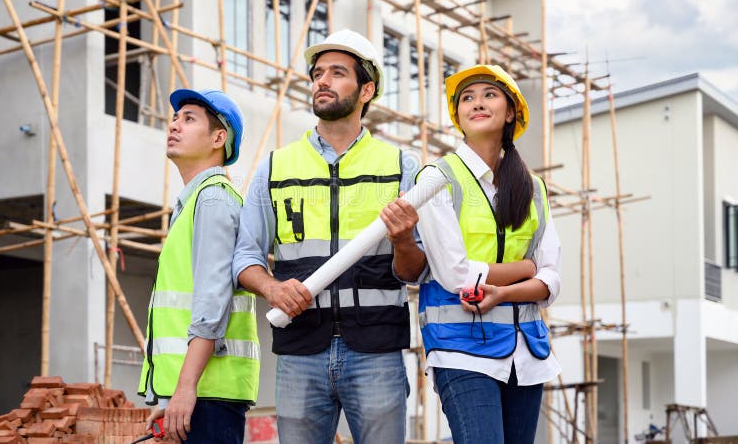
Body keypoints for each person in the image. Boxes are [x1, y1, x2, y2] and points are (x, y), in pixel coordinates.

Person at [233, 29, 426, 444]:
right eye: (318, 73)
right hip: (301, 348)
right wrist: (271, 287)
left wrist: (404, 240)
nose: (322, 80)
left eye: (337, 73)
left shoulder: (400, 166)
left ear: (366, 89)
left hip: (375, 350)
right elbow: (244, 256)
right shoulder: (276, 167)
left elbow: (414, 271)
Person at [415, 65, 561, 444]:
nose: (477, 103)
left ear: (510, 112)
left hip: (526, 353)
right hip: (461, 350)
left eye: (489, 95)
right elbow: (455, 275)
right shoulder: (437, 177)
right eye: (467, 98)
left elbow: (552, 278)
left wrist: (509, 288)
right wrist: (526, 268)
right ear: (458, 116)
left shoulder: (534, 188)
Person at [139, 89, 260, 444]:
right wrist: (172, 394)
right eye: (175, 118)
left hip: (208, 392)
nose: (174, 125)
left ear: (218, 138)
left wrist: (185, 389)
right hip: (199, 392)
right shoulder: (194, 201)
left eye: (189, 119)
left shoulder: (213, 200)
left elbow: (211, 303)